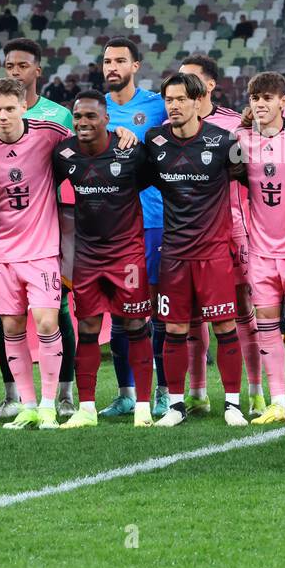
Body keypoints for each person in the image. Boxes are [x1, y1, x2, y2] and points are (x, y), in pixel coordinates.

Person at [0, 39, 78, 421]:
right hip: (1, 252)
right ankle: (28, 407)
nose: (1, 115)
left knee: (49, 321)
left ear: (23, 107)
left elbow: (84, 152)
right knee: (12, 326)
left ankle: (52, 404)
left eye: (8, 109)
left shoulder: (50, 132)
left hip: (43, 250)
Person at [144, 72, 248, 427]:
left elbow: (248, 177)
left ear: (196, 101)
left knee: (224, 327)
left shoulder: (223, 141)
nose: (173, 106)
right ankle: (175, 405)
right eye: (168, 101)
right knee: (173, 330)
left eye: (180, 100)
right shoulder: (154, 141)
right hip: (173, 253)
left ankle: (233, 404)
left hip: (214, 252)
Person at [53, 90, 157, 428]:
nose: (83, 123)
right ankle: (85, 409)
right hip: (86, 255)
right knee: (88, 327)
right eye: (78, 117)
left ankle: (142, 406)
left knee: (135, 324)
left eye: (91, 116)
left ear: (107, 119)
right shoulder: (64, 153)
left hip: (126, 253)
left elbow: (148, 182)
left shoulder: (130, 152)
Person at [179, 54, 264, 416]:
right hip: (188, 231)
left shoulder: (233, 125)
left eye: (189, 80)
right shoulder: (174, 126)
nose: (181, 89)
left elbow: (253, 172)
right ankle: (197, 392)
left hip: (232, 230)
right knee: (192, 314)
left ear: (209, 85)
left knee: (242, 310)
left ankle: (256, 391)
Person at [234, 72, 285, 423]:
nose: (261, 104)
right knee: (265, 323)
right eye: (255, 98)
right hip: (260, 253)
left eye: (268, 98)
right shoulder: (239, 140)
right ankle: (279, 402)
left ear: (284, 101)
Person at [101, 37, 170, 417]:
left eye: (120, 61)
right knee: (120, 311)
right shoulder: (95, 110)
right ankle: (126, 392)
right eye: (107, 61)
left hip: (155, 221)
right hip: (113, 225)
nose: (112, 67)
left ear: (136, 65)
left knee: (157, 309)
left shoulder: (158, 107)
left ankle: (161, 391)